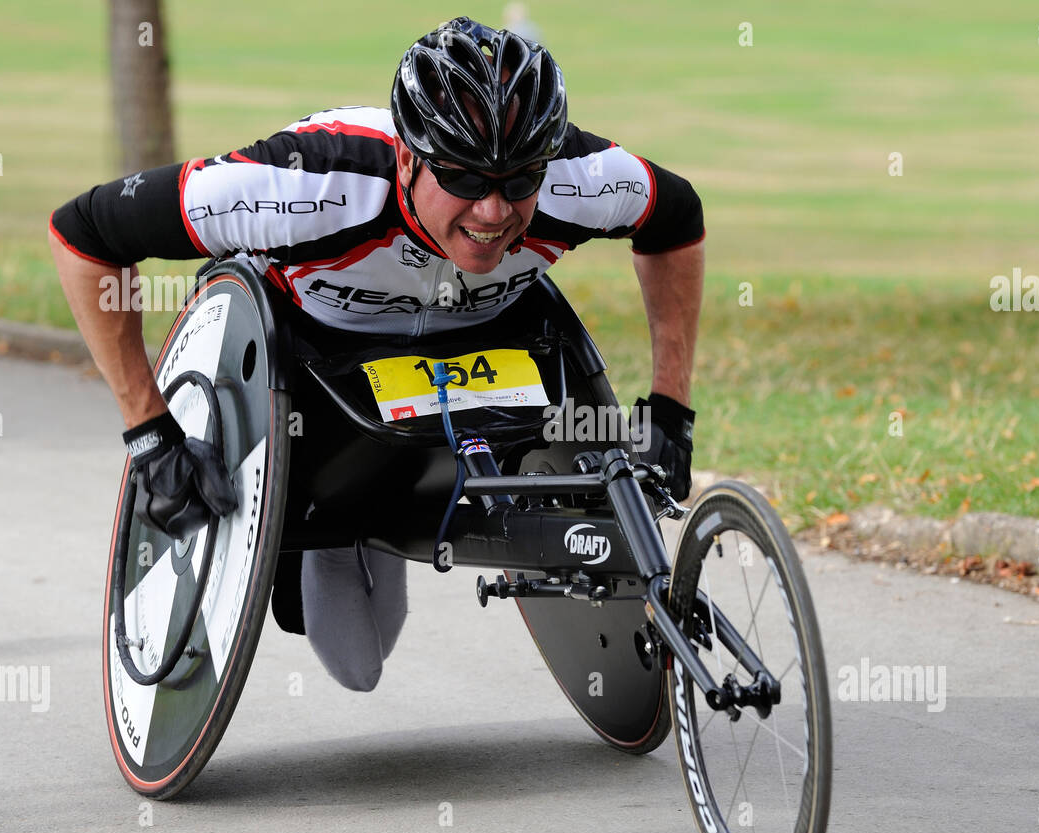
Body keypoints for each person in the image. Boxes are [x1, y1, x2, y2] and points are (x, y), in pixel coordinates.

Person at [48, 16, 705, 692]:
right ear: (407, 158)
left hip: (478, 341)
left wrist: (671, 409)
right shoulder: (305, 184)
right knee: (359, 662)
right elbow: (85, 232)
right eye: (464, 177)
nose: (492, 210)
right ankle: (339, 519)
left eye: (517, 181)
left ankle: (384, 501)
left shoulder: (576, 177)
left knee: (366, 646)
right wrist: (151, 433)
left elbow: (676, 216)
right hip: (310, 364)